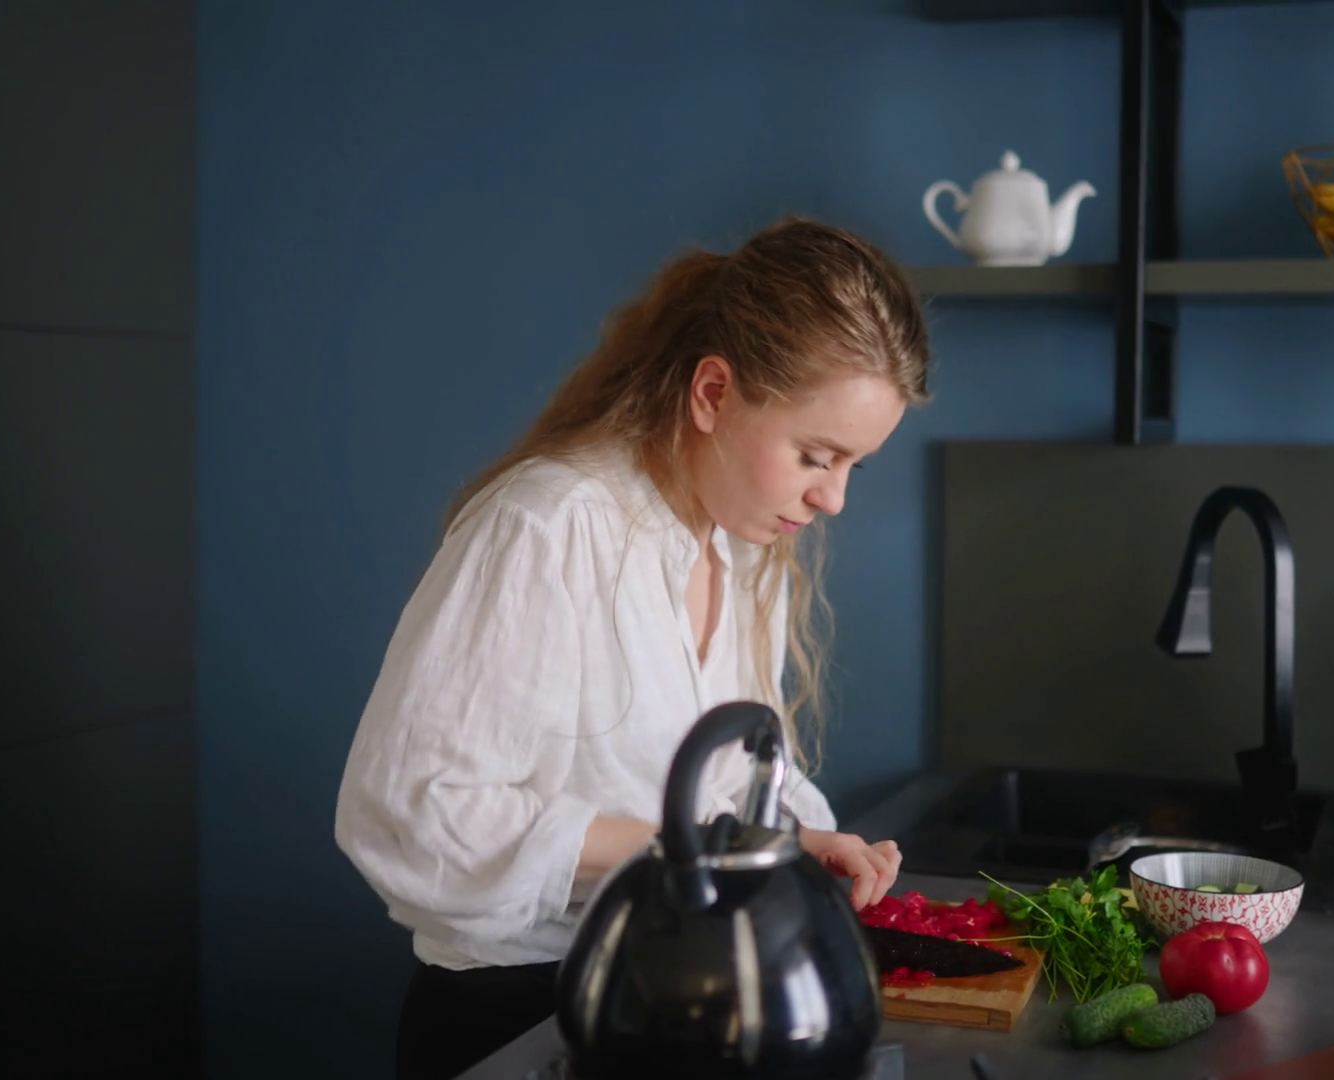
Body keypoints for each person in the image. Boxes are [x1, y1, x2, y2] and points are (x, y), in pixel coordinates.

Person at [333, 216, 934, 1080]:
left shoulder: (729, 543)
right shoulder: (546, 527)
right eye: (816, 454)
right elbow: (408, 811)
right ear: (714, 393)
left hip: (678, 1015)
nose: (832, 498)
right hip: (521, 1018)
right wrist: (681, 844)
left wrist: (793, 844)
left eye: (854, 467)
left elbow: (717, 786)